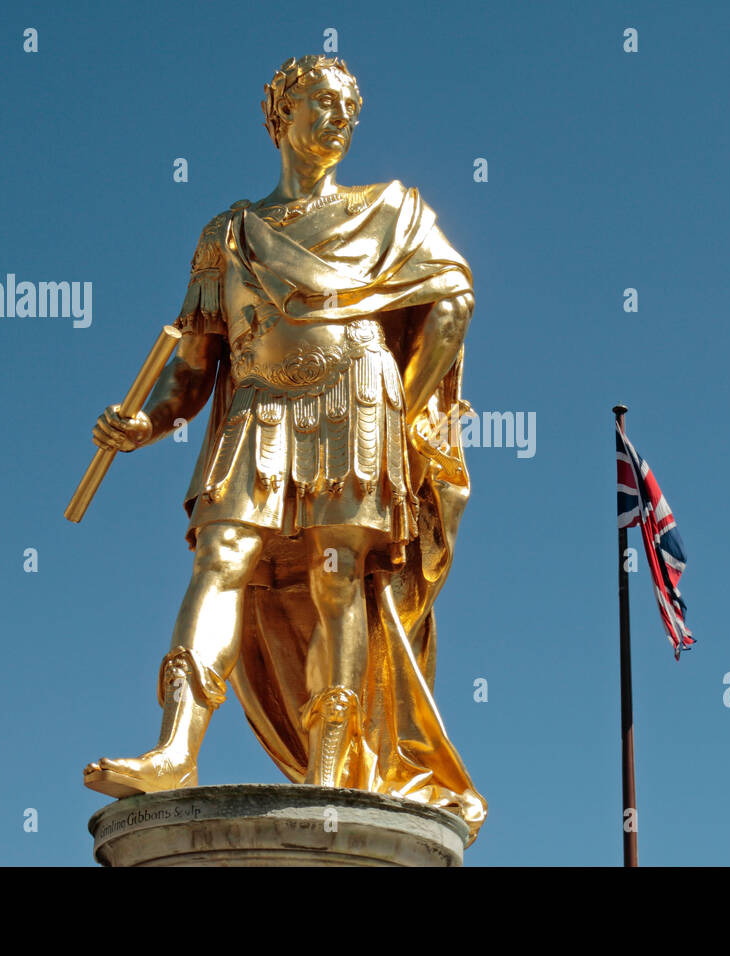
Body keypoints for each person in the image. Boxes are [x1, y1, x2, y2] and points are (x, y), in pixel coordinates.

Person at [82, 55, 485, 844]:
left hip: (356, 396)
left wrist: (409, 410)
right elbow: (195, 367)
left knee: (337, 574)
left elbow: (453, 298)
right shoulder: (226, 236)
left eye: (347, 108)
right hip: (260, 409)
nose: (338, 118)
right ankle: (173, 747)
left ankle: (332, 759)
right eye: (321, 103)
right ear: (280, 114)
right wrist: (147, 424)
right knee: (221, 554)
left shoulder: (392, 210)